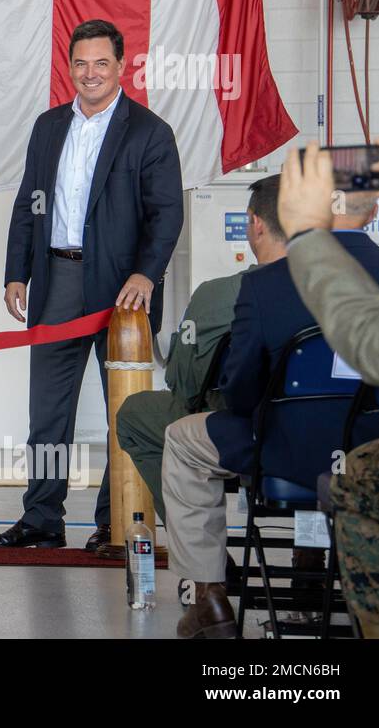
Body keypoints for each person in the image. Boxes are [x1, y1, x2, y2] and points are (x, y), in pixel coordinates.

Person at [166, 156, 379, 638]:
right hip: (373, 451)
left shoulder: (263, 284)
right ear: (372, 212)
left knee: (182, 440)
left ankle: (209, 599)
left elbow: (241, 392)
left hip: (282, 452)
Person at [0, 19, 183, 551]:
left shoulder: (149, 131)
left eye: (101, 63)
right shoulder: (49, 127)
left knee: (125, 413)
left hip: (124, 293)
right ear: (69, 67)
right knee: (47, 412)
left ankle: (113, 520)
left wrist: (146, 274)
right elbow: (29, 204)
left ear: (121, 67)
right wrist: (14, 271)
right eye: (80, 63)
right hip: (57, 283)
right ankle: (42, 519)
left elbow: (166, 215)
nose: (89, 73)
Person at [116, 175, 287, 524]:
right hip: (338, 441)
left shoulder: (217, 296)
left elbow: (185, 386)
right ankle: (310, 552)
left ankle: (205, 561)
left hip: (246, 439)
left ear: (255, 225)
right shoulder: (349, 293)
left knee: (136, 415)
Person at [278, 137, 379, 638]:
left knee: (358, 480)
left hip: (294, 450)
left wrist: (306, 235)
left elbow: (374, 341)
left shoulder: (260, 285)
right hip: (362, 431)